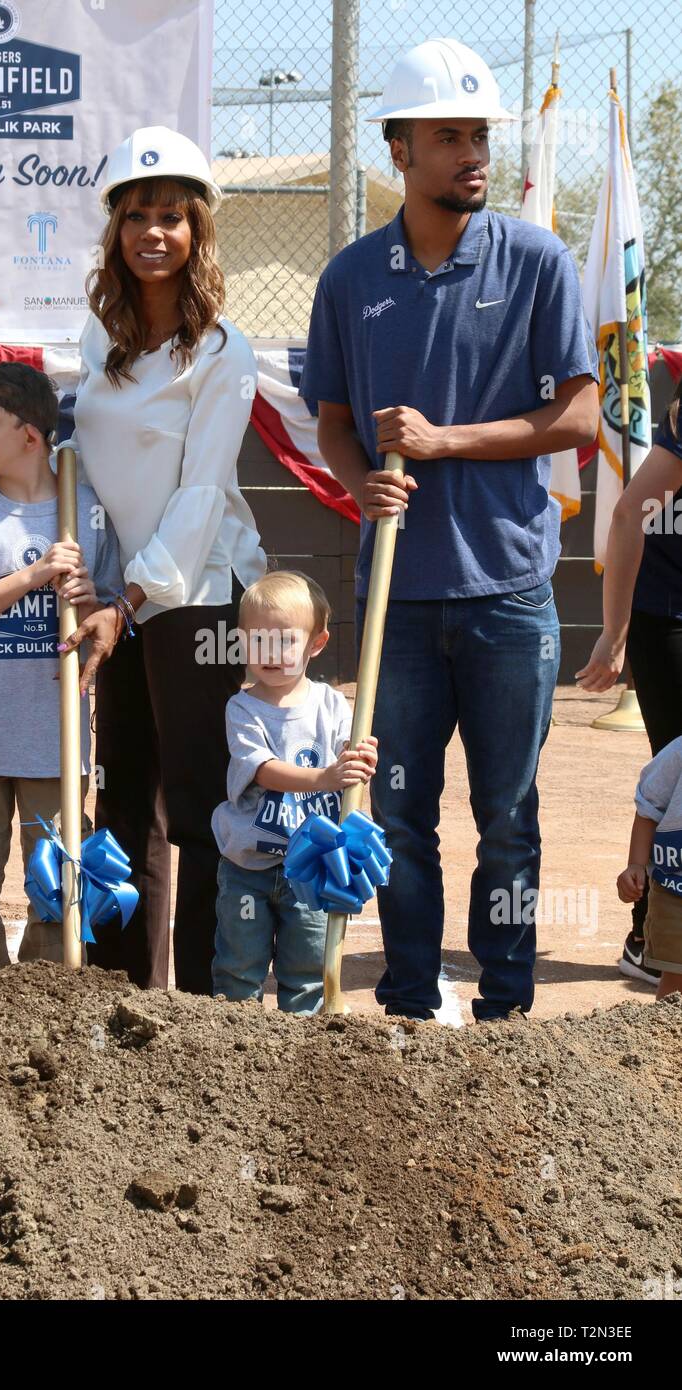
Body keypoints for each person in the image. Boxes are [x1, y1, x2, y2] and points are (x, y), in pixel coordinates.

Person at [300, 38, 599, 1021]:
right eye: (448, 135)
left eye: (477, 133)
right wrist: (359, 489)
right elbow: (334, 422)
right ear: (398, 149)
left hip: (511, 597)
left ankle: (507, 1009)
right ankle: (407, 1005)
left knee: (508, 819)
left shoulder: (536, 260)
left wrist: (442, 442)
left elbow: (577, 417)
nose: (471, 151)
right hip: (397, 597)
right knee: (395, 814)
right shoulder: (348, 278)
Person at [60, 126, 267, 995]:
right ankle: (124, 999)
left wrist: (133, 598)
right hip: (124, 601)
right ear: (114, 229)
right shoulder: (97, 342)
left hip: (200, 599)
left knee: (195, 805)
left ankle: (209, 1011)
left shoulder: (224, 351)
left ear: (197, 232)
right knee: (122, 798)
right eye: (136, 214)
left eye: (173, 217)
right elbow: (79, 465)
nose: (154, 231)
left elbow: (201, 495)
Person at [0, 364, 122, 981]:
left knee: (58, 883)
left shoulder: (87, 512)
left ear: (31, 436)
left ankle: (48, 1003)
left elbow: (104, 625)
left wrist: (90, 599)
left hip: (53, 741)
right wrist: (32, 577)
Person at [211, 571, 377, 1014]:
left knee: (307, 974)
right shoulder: (241, 707)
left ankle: (299, 1062)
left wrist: (358, 761)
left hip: (311, 870)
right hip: (248, 865)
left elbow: (349, 764)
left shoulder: (332, 704)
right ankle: (237, 1049)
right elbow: (264, 771)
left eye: (285, 640)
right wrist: (325, 778)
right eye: (258, 640)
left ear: (316, 644)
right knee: (237, 970)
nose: (270, 653)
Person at [576, 377, 682, 987]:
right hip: (668, 616)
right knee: (677, 780)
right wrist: (613, 635)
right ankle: (651, 938)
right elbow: (626, 513)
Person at [617, 736, 682, 1001]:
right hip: (675, 891)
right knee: (676, 978)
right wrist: (636, 864)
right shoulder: (678, 752)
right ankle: (667, 1036)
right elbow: (649, 806)